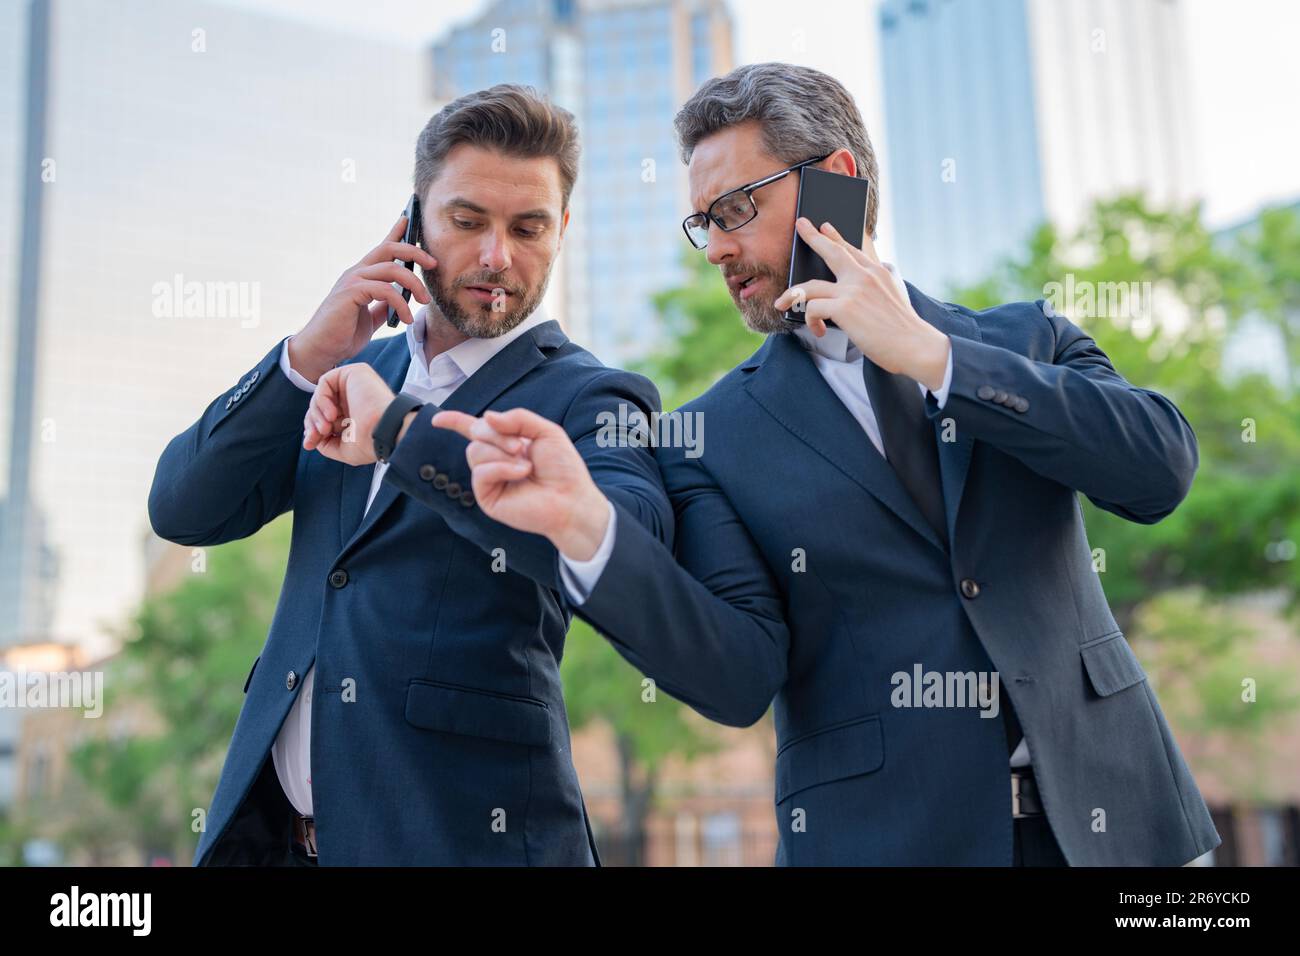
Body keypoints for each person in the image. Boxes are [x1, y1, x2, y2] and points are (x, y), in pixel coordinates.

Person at [432, 63, 1222, 866]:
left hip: (1127, 830)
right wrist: (585, 527)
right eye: (704, 223)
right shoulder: (708, 437)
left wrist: (937, 360)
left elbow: (1158, 469)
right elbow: (737, 674)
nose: (719, 249)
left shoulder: (1021, 341)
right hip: (885, 843)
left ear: (834, 183)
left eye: (736, 209)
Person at [149, 84, 670, 865]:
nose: (497, 256)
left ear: (561, 231)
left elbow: (631, 543)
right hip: (277, 844)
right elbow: (183, 507)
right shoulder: (346, 368)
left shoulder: (593, 396)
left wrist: (401, 437)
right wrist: (304, 358)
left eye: (528, 228)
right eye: (467, 221)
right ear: (414, 215)